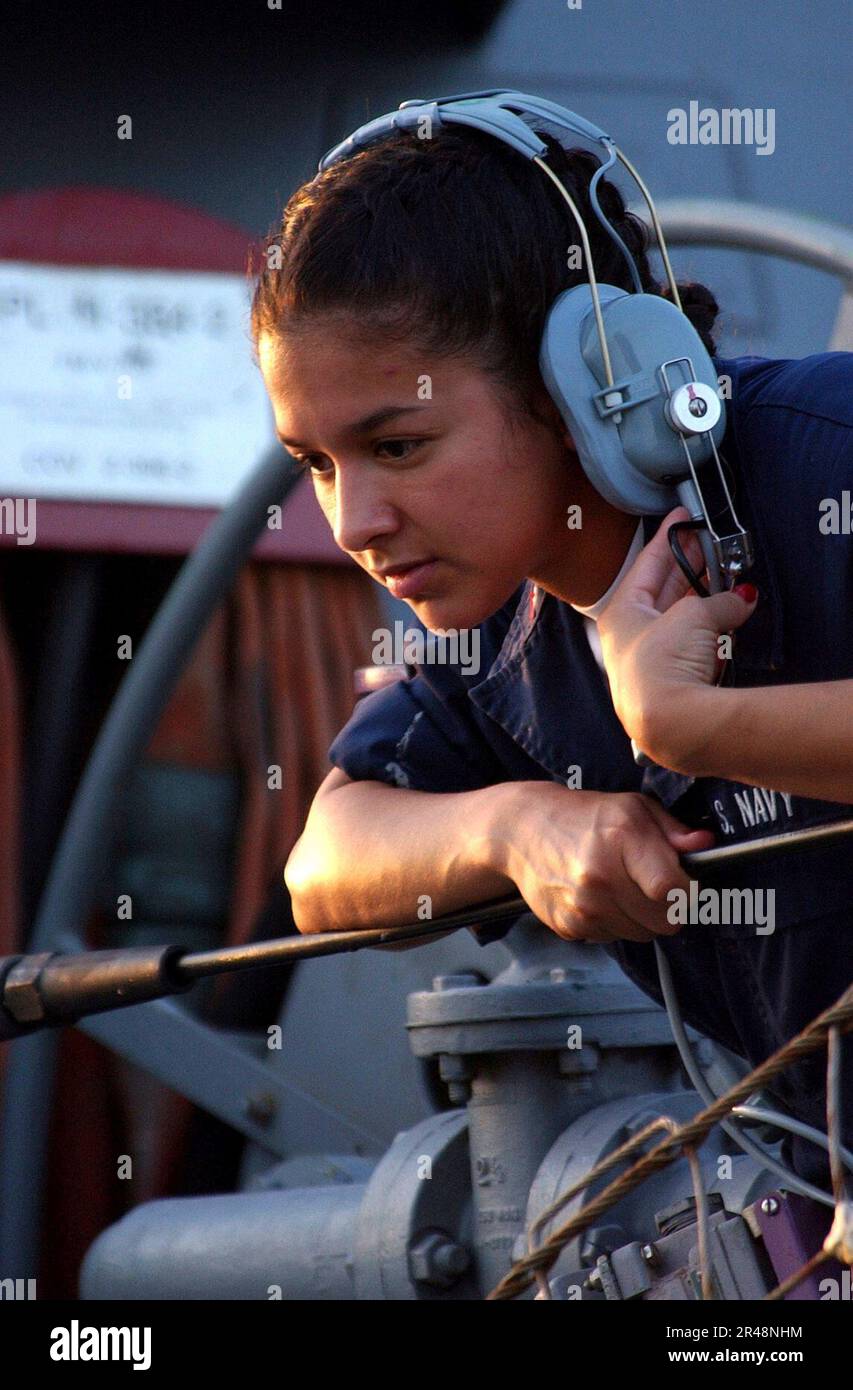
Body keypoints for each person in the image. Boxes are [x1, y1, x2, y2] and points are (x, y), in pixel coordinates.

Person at [248, 119, 853, 1191]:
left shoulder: (824, 460)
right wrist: (520, 824)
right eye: (318, 463)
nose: (352, 519)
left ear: (585, 382)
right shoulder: (497, 634)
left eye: (397, 447)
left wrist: (684, 724)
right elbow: (324, 860)